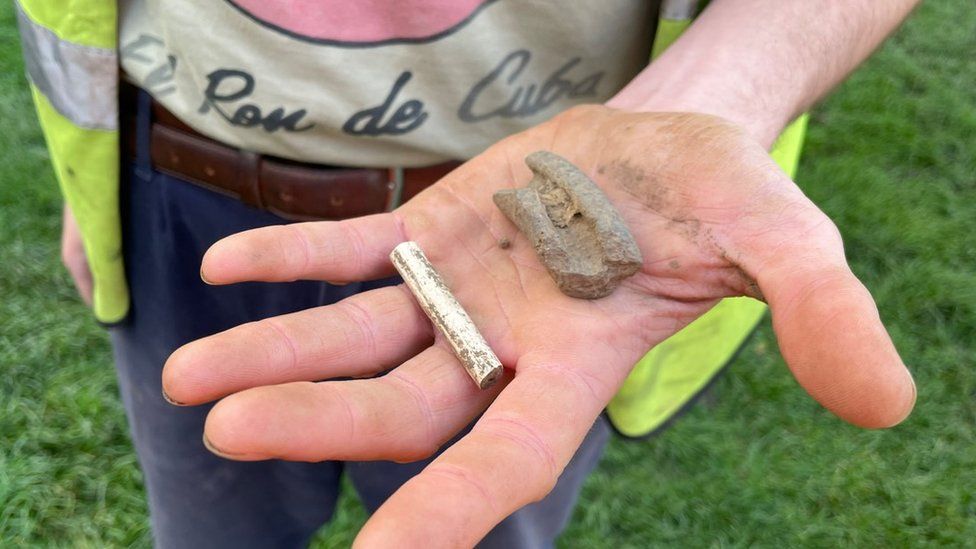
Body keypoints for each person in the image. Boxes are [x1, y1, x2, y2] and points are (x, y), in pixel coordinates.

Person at [20, 0, 919, 546]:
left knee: (477, 523)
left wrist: (709, 105)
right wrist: (91, 176)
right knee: (215, 516)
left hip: (521, 250)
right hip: (177, 184)